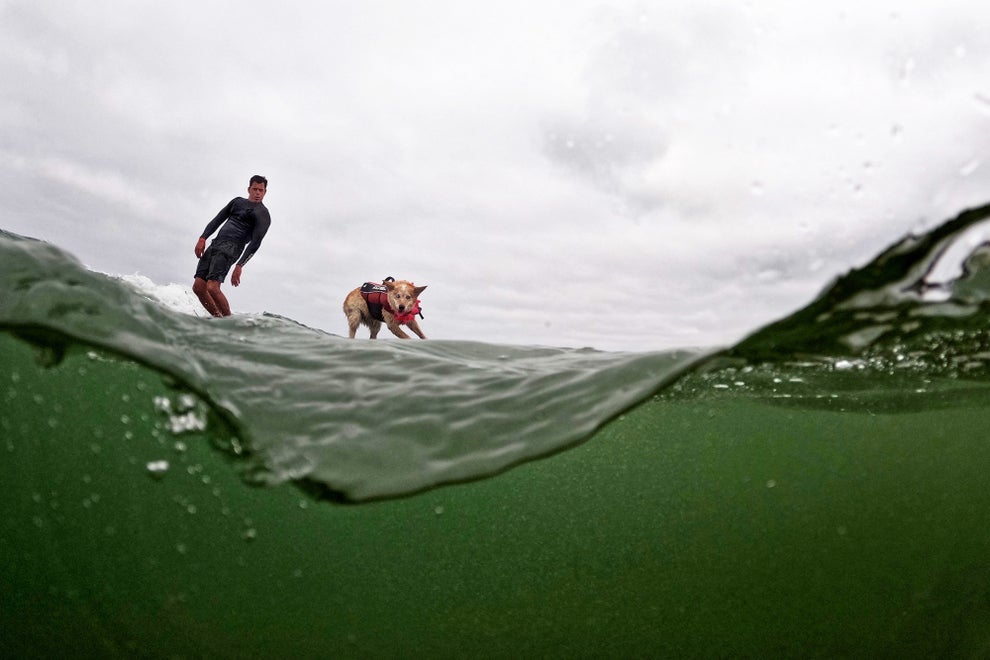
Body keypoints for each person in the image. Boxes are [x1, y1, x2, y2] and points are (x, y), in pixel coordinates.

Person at [192, 175, 272, 317]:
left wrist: (240, 265)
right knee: (198, 286)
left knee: (212, 287)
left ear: (265, 192)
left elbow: (256, 242)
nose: (257, 193)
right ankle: (217, 318)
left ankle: (228, 321)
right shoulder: (237, 202)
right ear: (249, 189)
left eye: (261, 190)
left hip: (232, 248)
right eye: (255, 189)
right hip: (216, 243)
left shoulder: (263, 214)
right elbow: (217, 220)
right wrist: (203, 238)